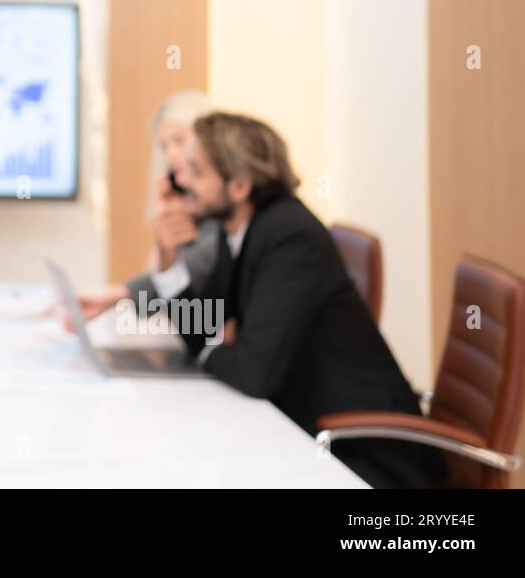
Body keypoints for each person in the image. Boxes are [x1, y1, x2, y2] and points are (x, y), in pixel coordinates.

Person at [172, 112, 446, 488]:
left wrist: (213, 346)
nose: (181, 180)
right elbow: (205, 327)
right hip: (302, 429)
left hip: (366, 456)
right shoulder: (239, 230)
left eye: (196, 171)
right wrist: (173, 264)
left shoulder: (289, 237)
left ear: (238, 186)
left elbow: (254, 374)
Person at [68, 91, 221, 328]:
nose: (171, 155)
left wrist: (119, 295)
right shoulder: (183, 204)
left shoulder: (220, 211)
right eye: (164, 146)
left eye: (180, 141)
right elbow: (168, 286)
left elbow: (197, 295)